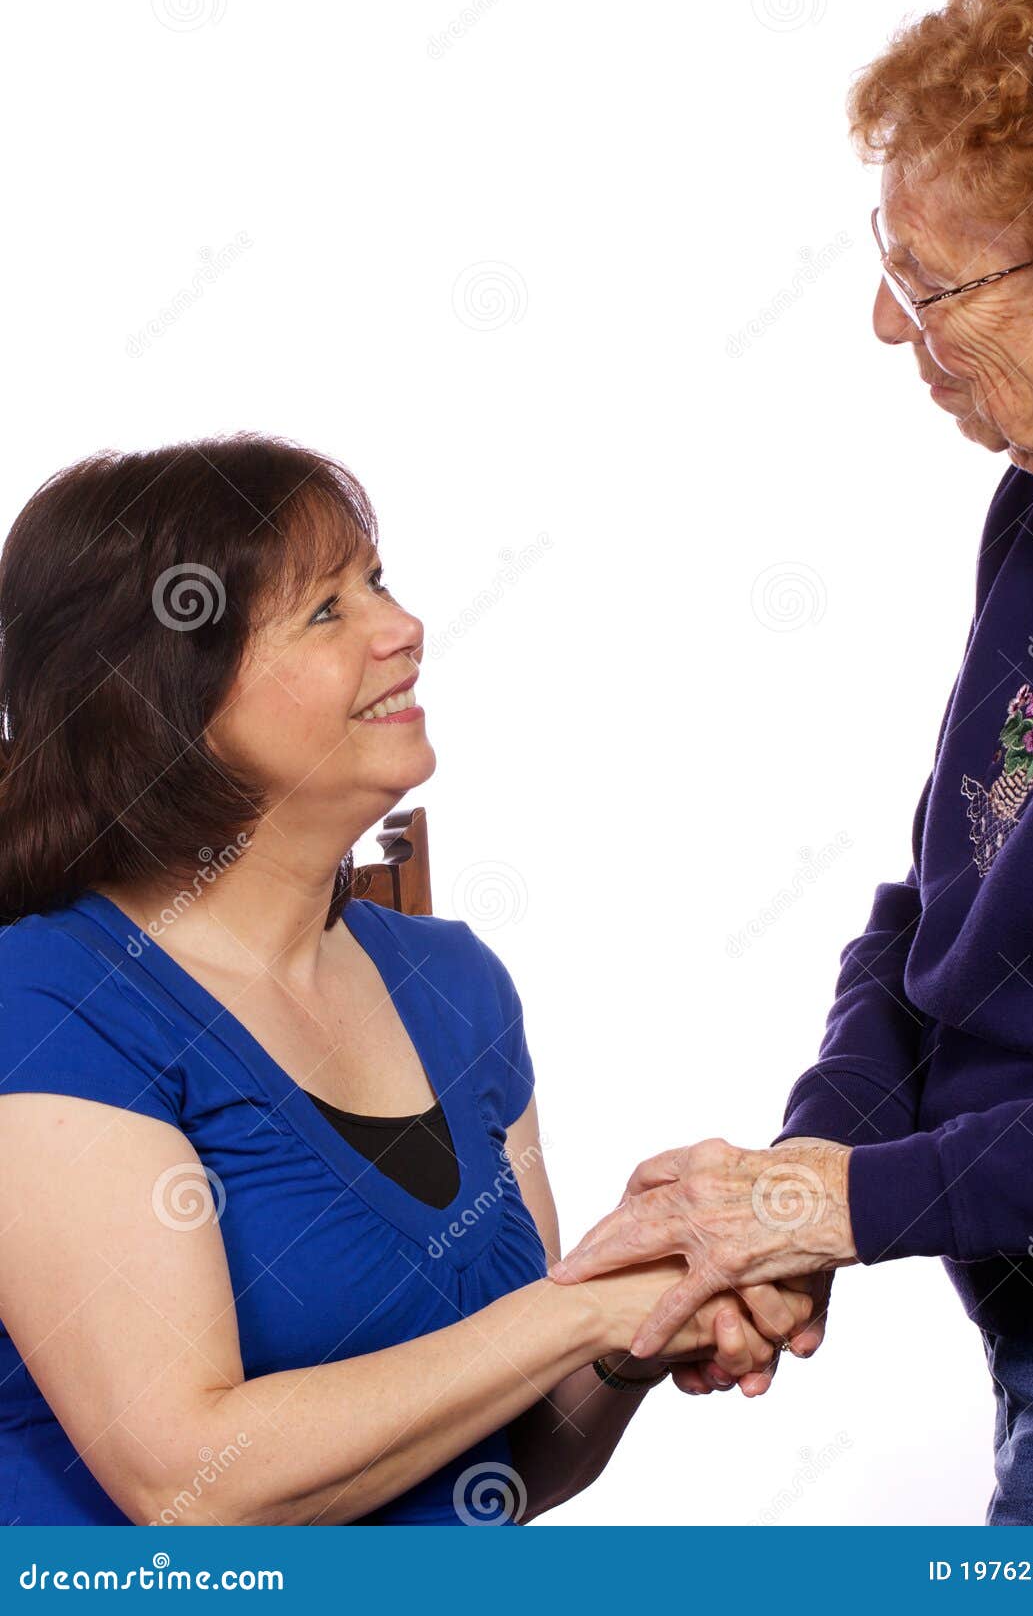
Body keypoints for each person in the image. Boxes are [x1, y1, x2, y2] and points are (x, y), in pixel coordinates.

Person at [550, 0, 1033, 1525]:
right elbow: (938, 921)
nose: (892, 324)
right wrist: (807, 1184)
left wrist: (846, 1201)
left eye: (935, 282)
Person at [0, 433, 816, 1525]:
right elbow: (190, 1489)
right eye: (327, 611)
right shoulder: (49, 999)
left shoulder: (454, 984)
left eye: (374, 582)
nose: (405, 630)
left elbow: (505, 1468)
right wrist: (574, 1313)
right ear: (161, 702)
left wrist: (650, 1303)